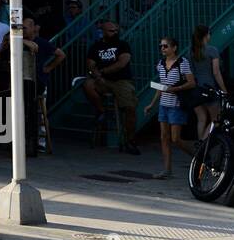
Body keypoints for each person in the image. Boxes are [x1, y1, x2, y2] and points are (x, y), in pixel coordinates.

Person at [144, 34, 196, 179]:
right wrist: (152, 104)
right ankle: (167, 169)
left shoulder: (182, 62)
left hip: (177, 105)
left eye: (165, 46)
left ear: (174, 48)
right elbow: (160, 87)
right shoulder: (160, 64)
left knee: (176, 139)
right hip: (163, 105)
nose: (163, 48)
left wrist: (175, 89)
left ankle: (199, 156)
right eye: (161, 46)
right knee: (164, 138)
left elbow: (192, 83)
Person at [82, 21, 138, 154]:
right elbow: (90, 64)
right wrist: (96, 75)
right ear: (104, 32)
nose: (115, 33)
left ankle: (130, 141)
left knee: (130, 108)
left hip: (121, 80)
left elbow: (122, 63)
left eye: (116, 30)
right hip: (102, 80)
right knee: (87, 85)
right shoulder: (96, 46)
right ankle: (102, 111)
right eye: (111, 31)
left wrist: (103, 71)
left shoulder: (122, 45)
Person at [21, 16, 64, 157]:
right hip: (24, 82)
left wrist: (48, 68)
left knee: (38, 113)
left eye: (25, 28)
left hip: (38, 82)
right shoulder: (18, 42)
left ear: (33, 28)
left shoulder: (41, 43)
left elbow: (61, 55)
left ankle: (40, 143)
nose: (22, 30)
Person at [185, 24, 226, 136]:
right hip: (209, 89)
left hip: (196, 90)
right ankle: (204, 143)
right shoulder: (212, 50)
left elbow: (190, 74)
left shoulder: (190, 52)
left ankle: (200, 146)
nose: (210, 36)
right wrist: (224, 90)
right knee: (215, 120)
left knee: (201, 119)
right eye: (209, 34)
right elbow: (216, 72)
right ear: (205, 35)